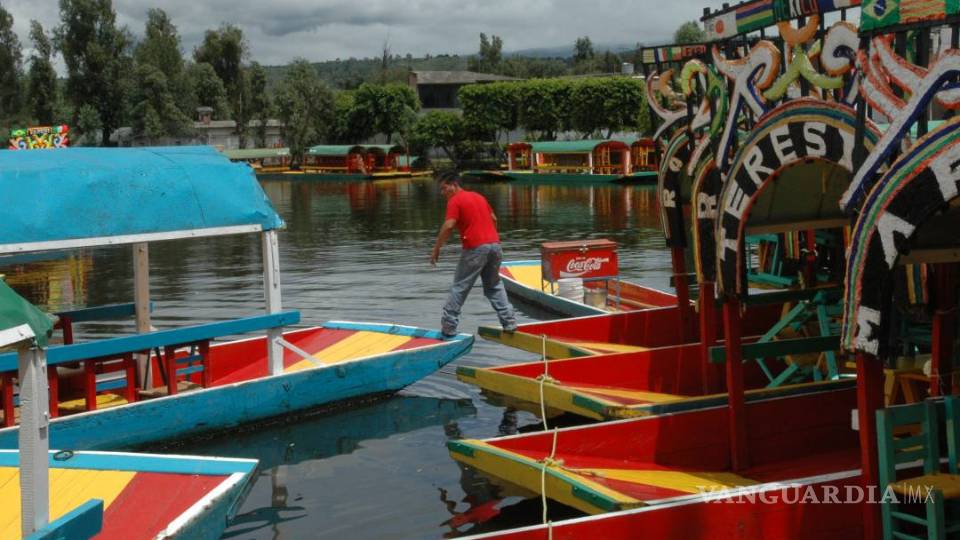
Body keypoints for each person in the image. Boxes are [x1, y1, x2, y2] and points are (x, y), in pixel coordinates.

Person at [430, 172, 517, 338]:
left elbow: (449, 225)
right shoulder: (478, 196)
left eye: (444, 188)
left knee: (460, 286)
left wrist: (436, 249)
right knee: (494, 286)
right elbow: (494, 218)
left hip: (475, 248)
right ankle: (510, 322)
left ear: (454, 185)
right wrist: (491, 239)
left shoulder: (455, 200)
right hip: (495, 245)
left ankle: (448, 327)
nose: (443, 193)